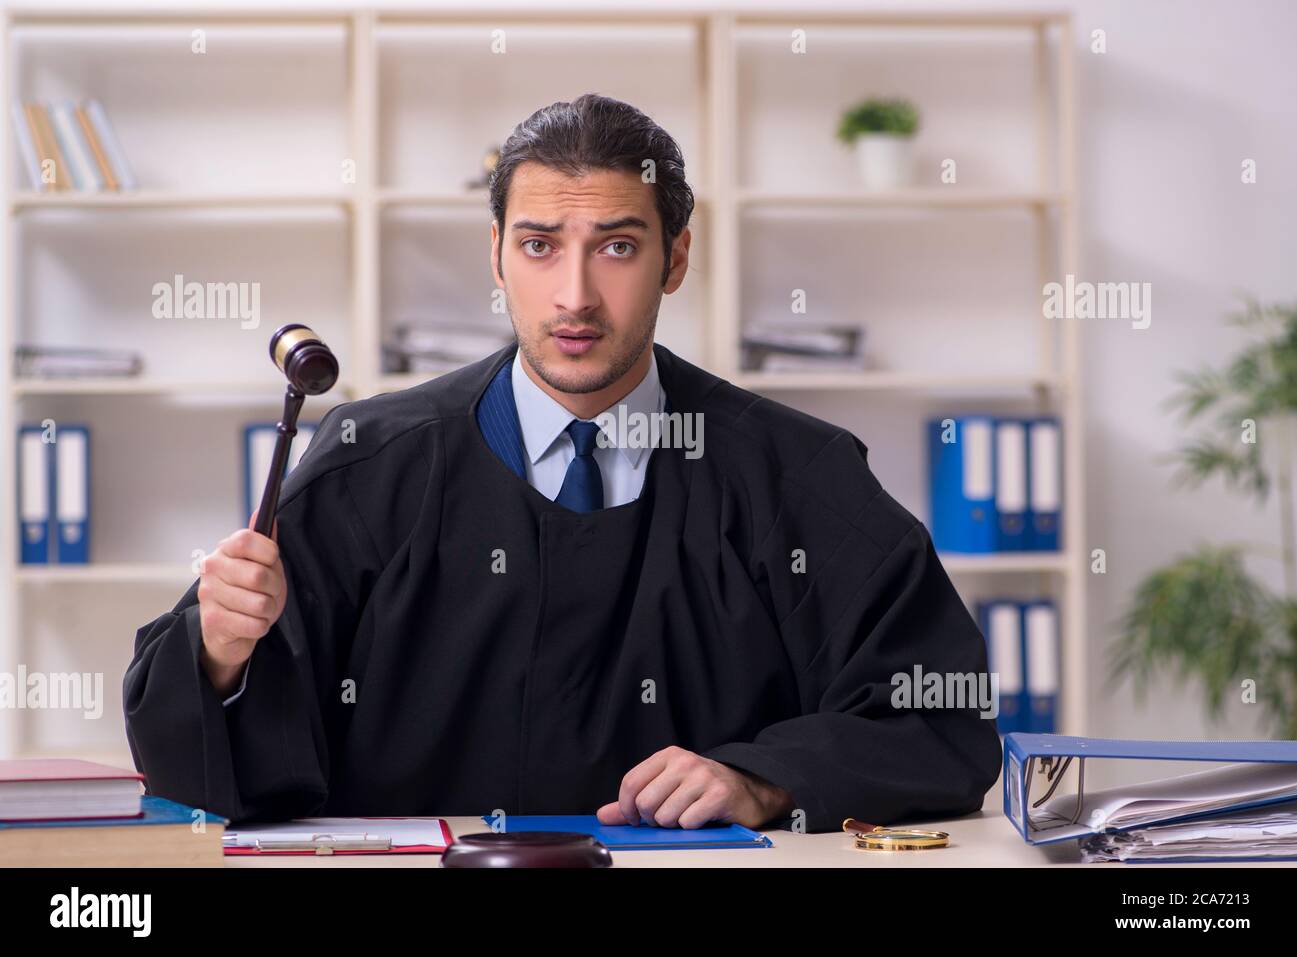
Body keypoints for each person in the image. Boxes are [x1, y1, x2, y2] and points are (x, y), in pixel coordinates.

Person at [123, 93, 1002, 834]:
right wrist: (220, 658)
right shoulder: (370, 462)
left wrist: (765, 778)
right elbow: (198, 754)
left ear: (676, 258)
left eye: (617, 246)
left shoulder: (795, 474)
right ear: (496, 256)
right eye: (540, 245)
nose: (575, 294)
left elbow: (941, 714)